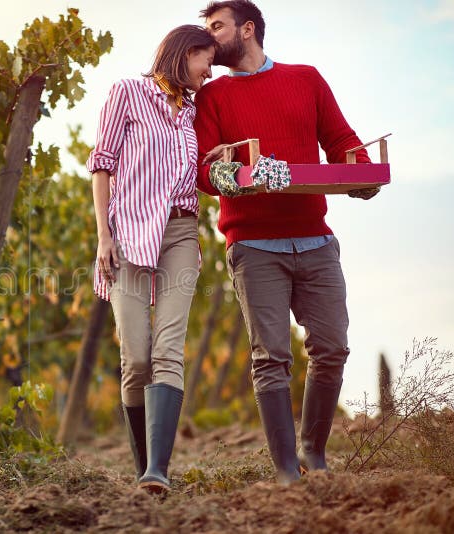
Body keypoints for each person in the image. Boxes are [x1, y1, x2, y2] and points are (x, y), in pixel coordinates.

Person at [194, 0, 379, 483]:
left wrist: (362, 173)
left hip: (315, 239)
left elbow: (342, 141)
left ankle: (312, 453)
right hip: (253, 246)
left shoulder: (306, 79)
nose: (210, 39)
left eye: (218, 27)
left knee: (332, 347)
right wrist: (241, 173)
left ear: (248, 29)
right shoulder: (211, 98)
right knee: (270, 357)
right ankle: (284, 472)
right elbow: (205, 172)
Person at [86, 25, 216, 493]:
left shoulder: (198, 111)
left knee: (167, 350)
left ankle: (157, 472)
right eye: (206, 58)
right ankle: (146, 467)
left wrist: (214, 159)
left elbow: (197, 171)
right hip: (129, 234)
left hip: (180, 231)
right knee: (136, 358)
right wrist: (104, 236)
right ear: (185, 53)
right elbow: (102, 165)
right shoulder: (128, 93)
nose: (209, 69)